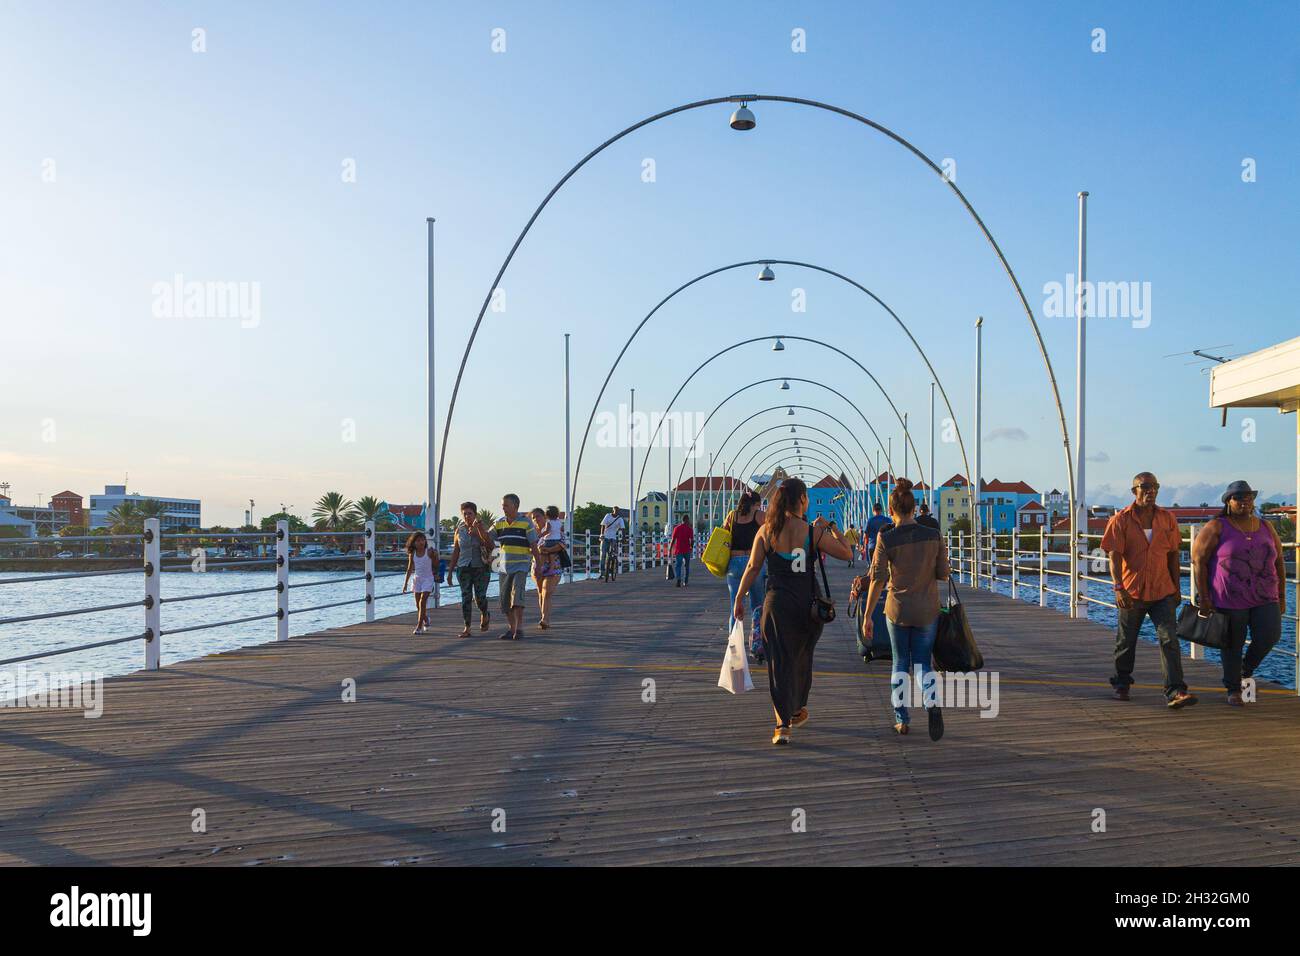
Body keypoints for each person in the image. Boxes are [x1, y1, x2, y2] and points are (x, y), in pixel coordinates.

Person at [731, 478, 852, 745]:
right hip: (806, 607)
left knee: (779, 663)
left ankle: (782, 724)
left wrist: (739, 598)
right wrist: (830, 526)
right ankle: (796, 708)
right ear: (802, 500)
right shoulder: (811, 532)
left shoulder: (765, 532)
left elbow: (752, 568)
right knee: (801, 658)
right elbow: (847, 553)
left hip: (776, 605)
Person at [850, 479, 950, 739]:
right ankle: (931, 703)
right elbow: (943, 574)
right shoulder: (933, 535)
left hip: (898, 610)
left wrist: (869, 615)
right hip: (928, 610)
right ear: (915, 508)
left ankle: (902, 719)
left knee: (900, 662)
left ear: (892, 511)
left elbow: (878, 578)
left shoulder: (887, 537)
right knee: (922, 664)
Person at [1101, 472, 1198, 708]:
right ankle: (1122, 683)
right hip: (1131, 591)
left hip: (1162, 590)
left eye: (1154, 487)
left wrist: (1176, 588)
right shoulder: (1120, 520)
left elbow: (1173, 554)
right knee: (1126, 640)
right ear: (1134, 490)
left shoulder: (1167, 519)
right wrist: (1118, 588)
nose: (1150, 491)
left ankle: (1175, 691)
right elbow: (1113, 556)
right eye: (1144, 487)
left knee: (1169, 639)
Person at [1191, 480, 1286, 705]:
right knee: (1233, 643)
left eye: (1249, 497)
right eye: (1239, 498)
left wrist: (1282, 595)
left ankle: (1245, 669)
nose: (1245, 502)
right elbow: (1198, 561)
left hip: (1265, 596)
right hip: (1229, 597)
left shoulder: (1266, 526)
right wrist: (1204, 597)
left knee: (1270, 635)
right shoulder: (1217, 526)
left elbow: (1279, 561)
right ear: (1228, 501)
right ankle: (1233, 688)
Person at [724, 490, 767, 663]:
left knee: (736, 605)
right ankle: (757, 647)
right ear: (756, 503)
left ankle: (734, 648)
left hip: (734, 564)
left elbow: (723, 534)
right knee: (757, 606)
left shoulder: (732, 516)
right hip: (753, 563)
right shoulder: (759, 515)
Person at [491, 493, 539, 640]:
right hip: (504, 566)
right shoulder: (499, 523)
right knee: (504, 600)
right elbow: (488, 538)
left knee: (517, 597)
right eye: (502, 505)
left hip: (521, 565)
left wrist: (538, 564)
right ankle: (511, 628)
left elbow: (533, 545)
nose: (503, 508)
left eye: (506, 505)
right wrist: (478, 529)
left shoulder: (526, 522)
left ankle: (519, 629)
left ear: (515, 506)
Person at [448, 501, 493, 638]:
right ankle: (467, 627)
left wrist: (477, 533)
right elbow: (456, 551)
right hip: (463, 567)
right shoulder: (459, 530)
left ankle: (485, 613)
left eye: (470, 513)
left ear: (475, 514)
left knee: (480, 598)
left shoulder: (481, 527)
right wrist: (450, 571)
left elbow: (490, 545)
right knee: (466, 597)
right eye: (465, 514)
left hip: (480, 567)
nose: (467, 516)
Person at [529, 508, 563, 629]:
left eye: (538, 516)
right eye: (533, 517)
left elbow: (562, 545)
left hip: (554, 566)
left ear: (545, 517)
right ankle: (543, 616)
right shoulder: (531, 532)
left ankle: (545, 619)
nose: (536, 519)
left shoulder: (554, 528)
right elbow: (528, 549)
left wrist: (547, 550)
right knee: (540, 592)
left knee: (546, 591)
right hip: (537, 566)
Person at [401, 531, 436, 635]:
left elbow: (436, 564)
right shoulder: (413, 554)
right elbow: (409, 569)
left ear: (425, 541)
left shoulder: (429, 552)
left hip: (428, 579)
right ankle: (426, 619)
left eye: (422, 540)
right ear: (414, 542)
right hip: (417, 579)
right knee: (418, 605)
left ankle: (419, 626)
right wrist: (405, 584)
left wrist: (435, 556)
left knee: (422, 601)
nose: (421, 542)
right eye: (418, 540)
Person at [599, 505, 626, 581]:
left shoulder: (620, 519)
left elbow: (623, 529)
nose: (616, 512)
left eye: (617, 511)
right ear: (613, 510)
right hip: (605, 537)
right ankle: (602, 572)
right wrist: (602, 535)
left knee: (614, 552)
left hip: (613, 537)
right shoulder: (608, 516)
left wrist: (624, 538)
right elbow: (603, 526)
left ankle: (613, 566)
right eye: (615, 510)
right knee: (603, 554)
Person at [670, 514, 693, 587]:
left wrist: (670, 549)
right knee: (686, 566)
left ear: (682, 520)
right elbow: (692, 540)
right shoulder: (690, 529)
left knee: (678, 565)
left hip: (678, 550)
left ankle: (678, 579)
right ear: (687, 520)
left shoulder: (676, 528)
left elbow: (673, 540)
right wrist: (691, 547)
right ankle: (685, 581)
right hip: (687, 550)